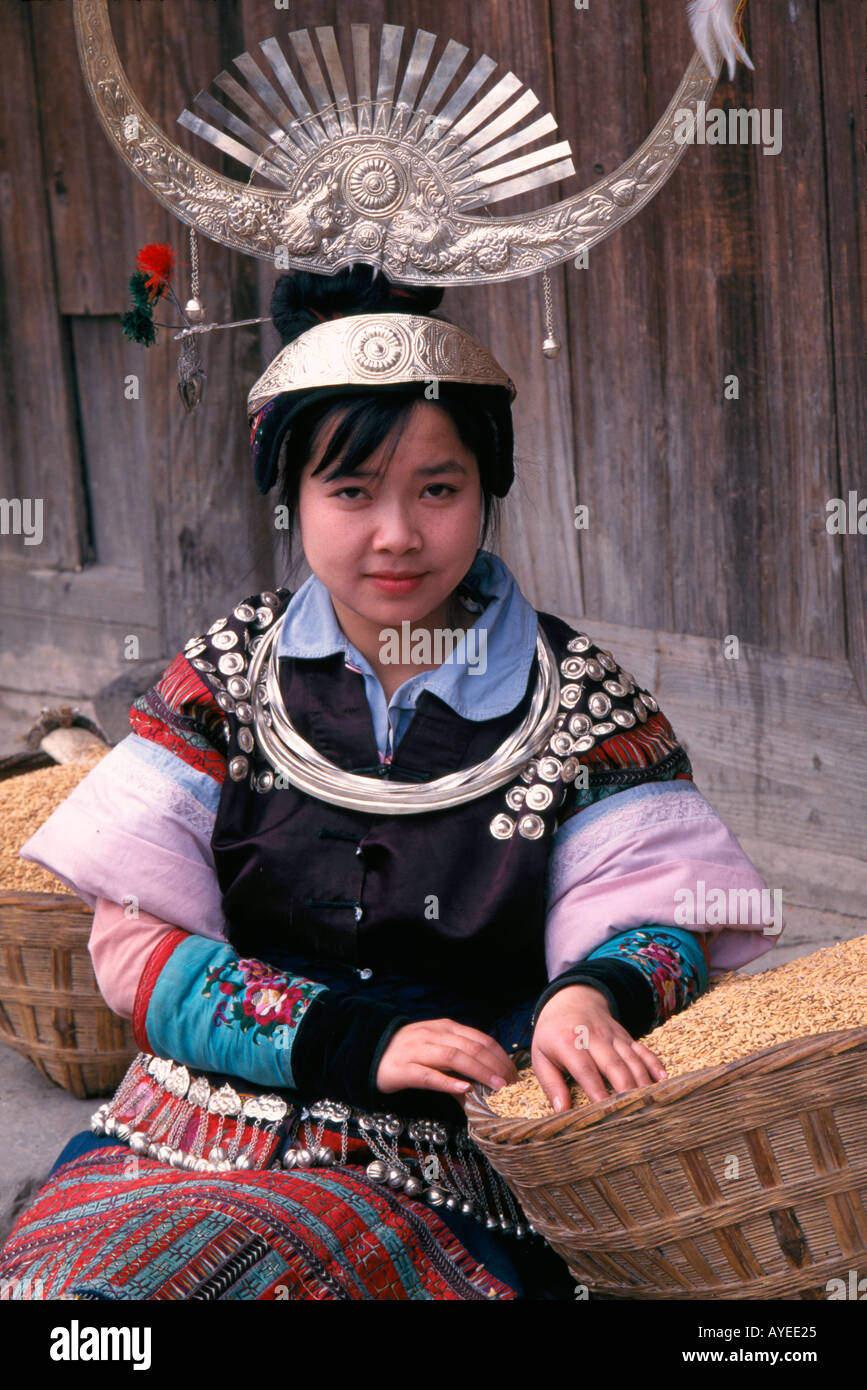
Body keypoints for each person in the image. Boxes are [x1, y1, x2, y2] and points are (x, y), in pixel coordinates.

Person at [0, 267, 780, 1301]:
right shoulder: (228, 675)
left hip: (446, 1150)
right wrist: (351, 1039)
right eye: (352, 490)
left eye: (439, 489)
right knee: (70, 1295)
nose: (398, 534)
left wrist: (591, 995)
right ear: (293, 497)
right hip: (189, 1118)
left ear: (488, 491)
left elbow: (670, 923)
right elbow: (136, 947)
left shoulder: (578, 695)